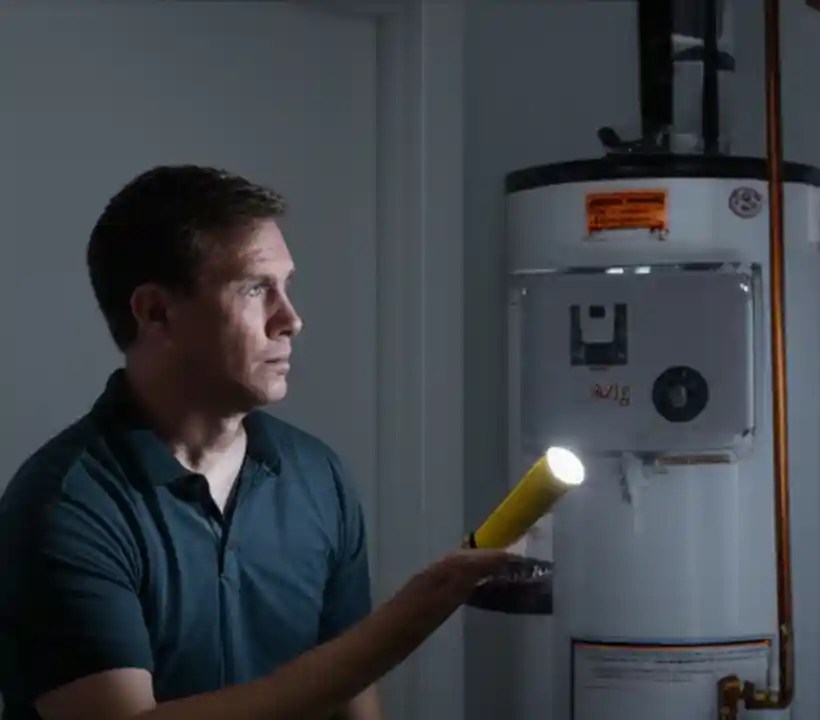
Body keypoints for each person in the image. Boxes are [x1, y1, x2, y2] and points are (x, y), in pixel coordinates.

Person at [0, 165, 512, 720]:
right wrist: (412, 615)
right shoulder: (64, 505)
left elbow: (352, 702)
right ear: (155, 312)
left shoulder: (319, 477)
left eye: (286, 287)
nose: (290, 320)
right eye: (255, 289)